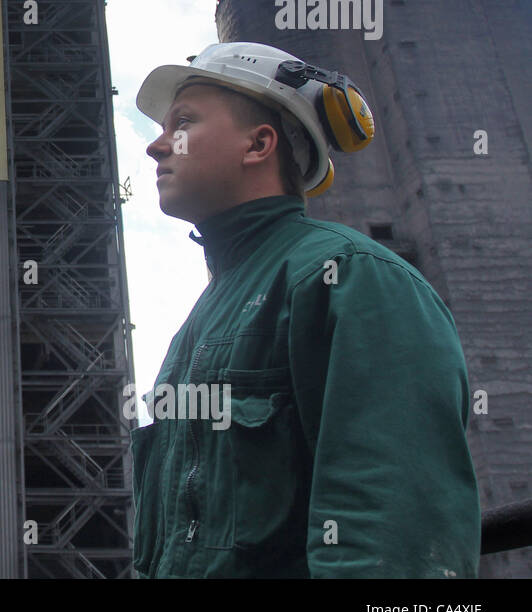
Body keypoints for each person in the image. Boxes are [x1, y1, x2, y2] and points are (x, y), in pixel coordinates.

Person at [131, 41, 480, 577]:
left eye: (182, 122)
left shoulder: (352, 277)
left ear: (259, 144)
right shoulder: (204, 316)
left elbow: (393, 540)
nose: (156, 147)